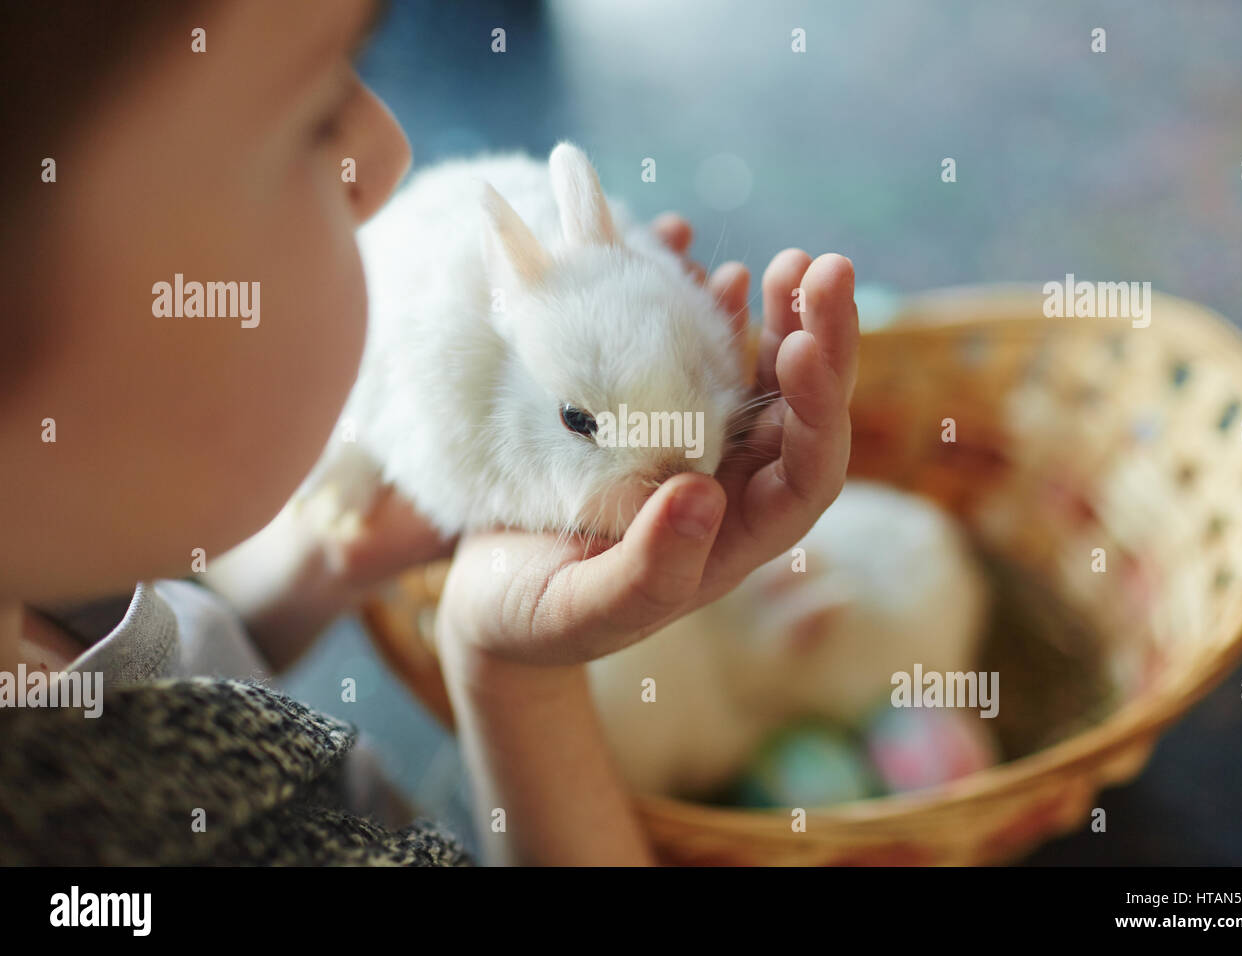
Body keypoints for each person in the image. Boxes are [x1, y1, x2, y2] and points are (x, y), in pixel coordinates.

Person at [0, 0, 859, 865]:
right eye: (311, 115)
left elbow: (195, 652)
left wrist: (324, 561)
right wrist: (514, 676)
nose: (388, 155)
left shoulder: (49, 584)